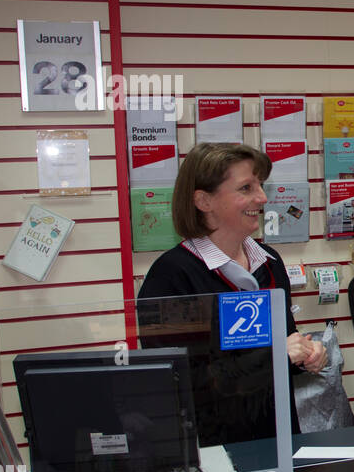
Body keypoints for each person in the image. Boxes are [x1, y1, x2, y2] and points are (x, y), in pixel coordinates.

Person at [137, 143, 324, 447]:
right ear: (203, 200)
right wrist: (277, 354)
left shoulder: (269, 262)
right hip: (213, 452)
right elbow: (188, 383)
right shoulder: (171, 277)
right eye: (246, 188)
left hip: (277, 440)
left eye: (260, 185)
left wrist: (305, 354)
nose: (262, 198)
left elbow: (281, 346)